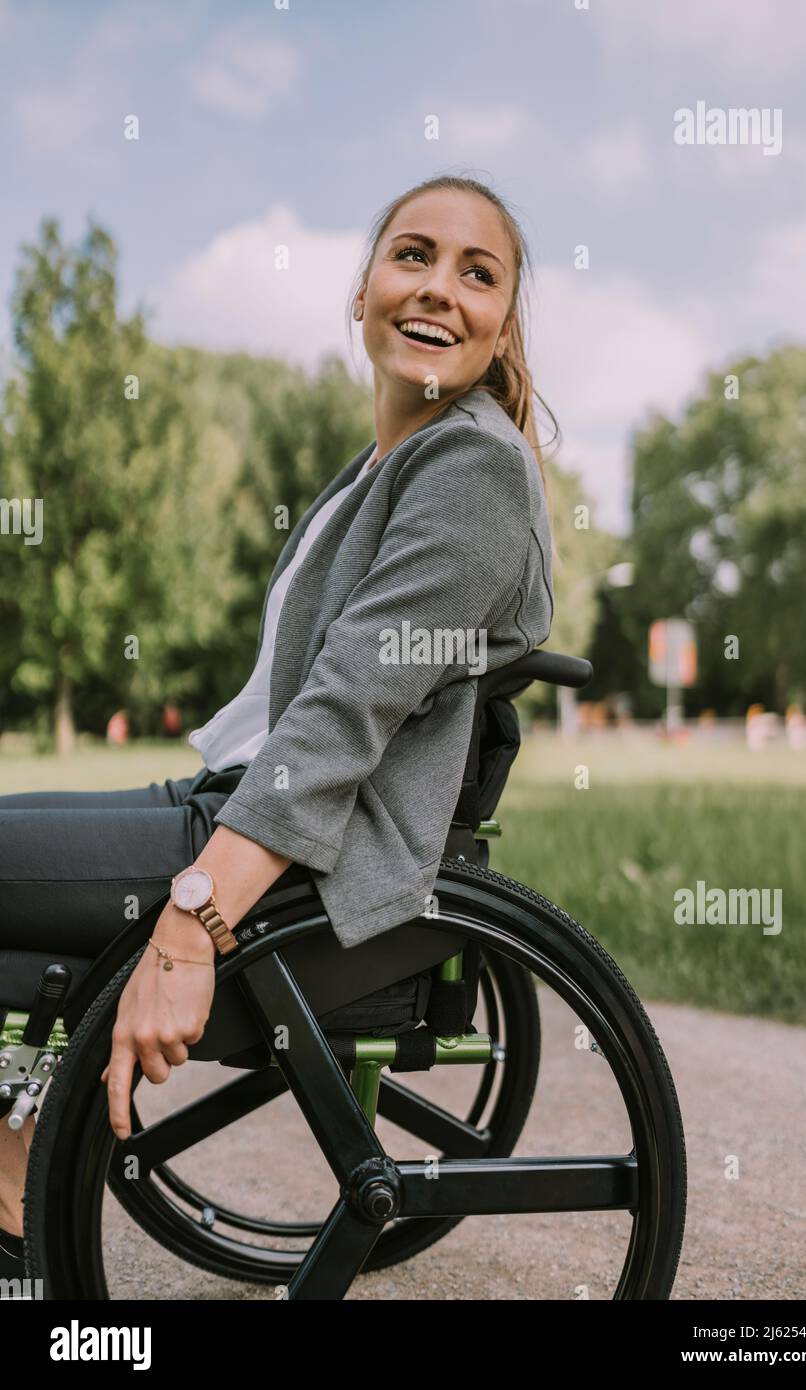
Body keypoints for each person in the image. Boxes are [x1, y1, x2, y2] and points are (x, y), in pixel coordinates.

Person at [0, 174, 558, 1274]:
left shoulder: (473, 469)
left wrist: (189, 922)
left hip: (313, 856)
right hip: (242, 802)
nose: (438, 287)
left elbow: (345, 715)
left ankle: (14, 1184)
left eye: (475, 272)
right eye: (411, 255)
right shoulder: (380, 470)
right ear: (361, 293)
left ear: (500, 329)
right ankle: (17, 1142)